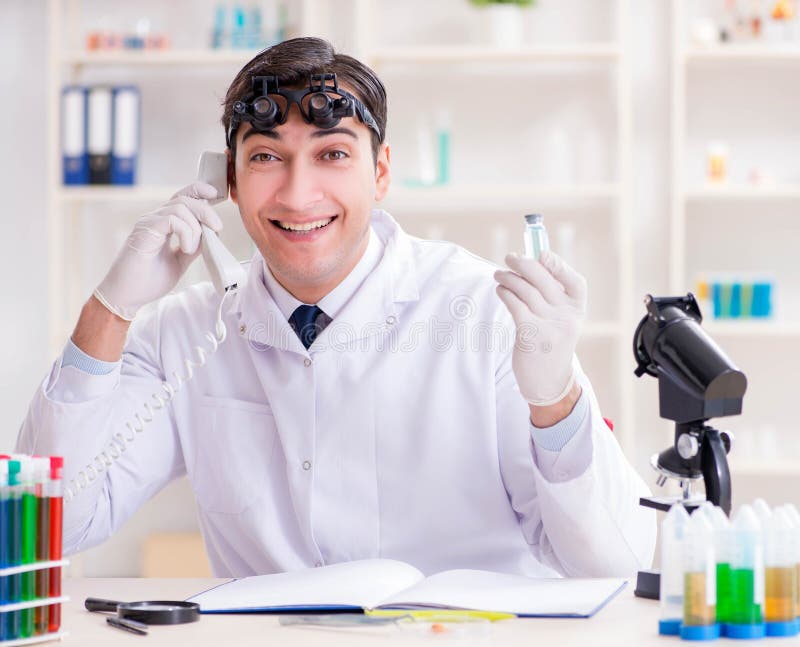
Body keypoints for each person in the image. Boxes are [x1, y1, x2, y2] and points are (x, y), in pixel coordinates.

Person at [18, 37, 655, 578]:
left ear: (379, 172)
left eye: (332, 154)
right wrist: (109, 310)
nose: (298, 194)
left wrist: (556, 403)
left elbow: (612, 564)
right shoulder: (186, 332)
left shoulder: (485, 312)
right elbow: (52, 527)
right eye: (267, 156)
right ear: (228, 183)